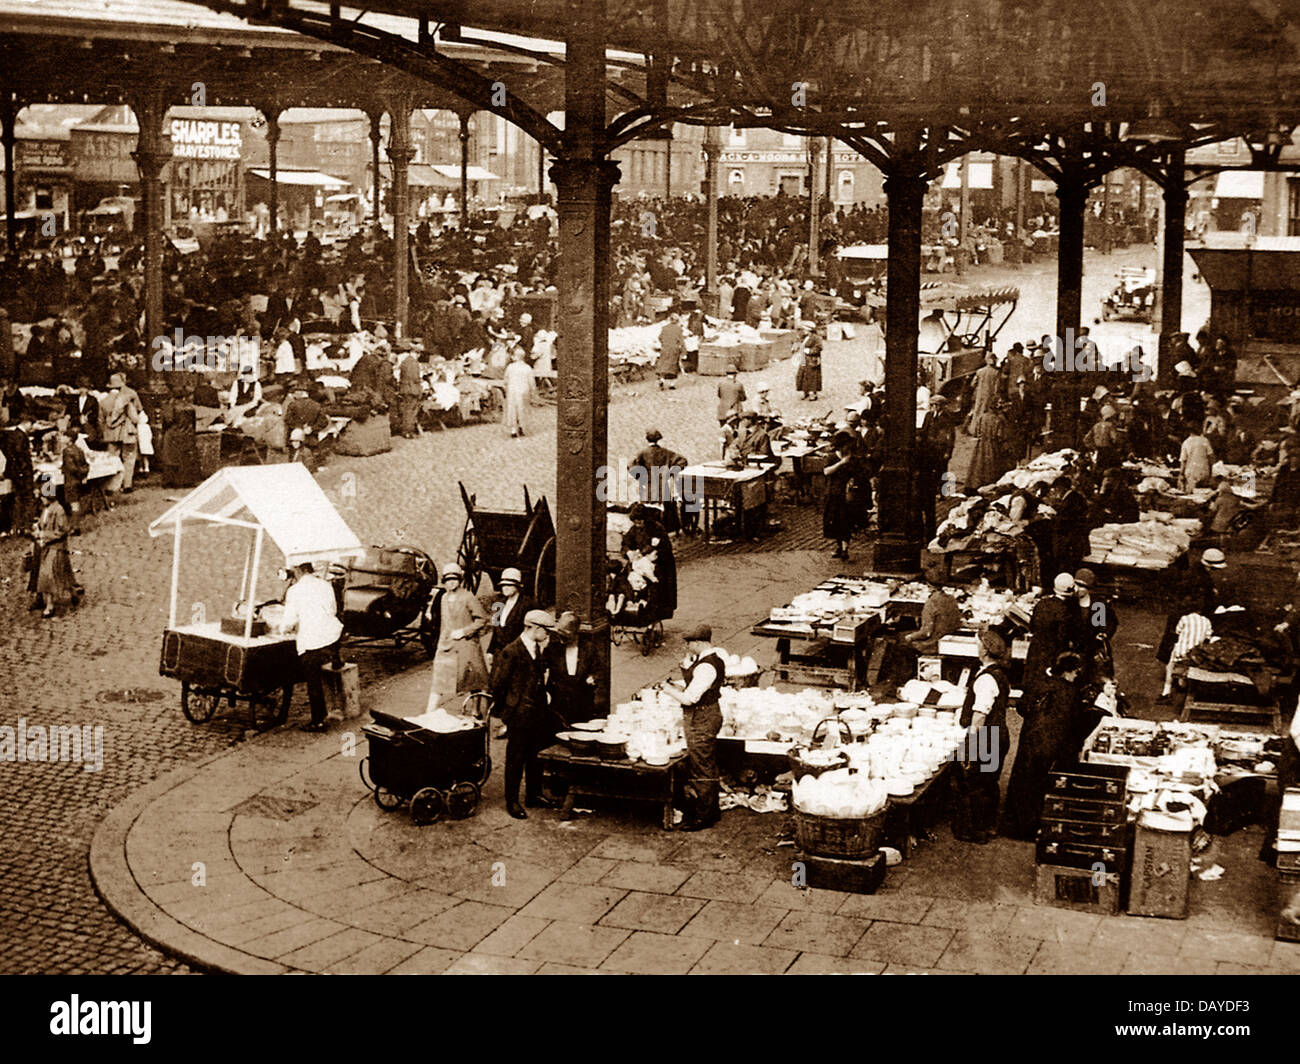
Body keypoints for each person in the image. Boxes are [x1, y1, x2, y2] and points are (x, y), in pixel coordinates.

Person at [1000, 651, 1085, 840]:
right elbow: (1075, 722)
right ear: (1069, 671)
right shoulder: (1071, 693)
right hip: (1053, 745)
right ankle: (1036, 829)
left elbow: (1022, 707)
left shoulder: (1040, 683)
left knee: (1023, 782)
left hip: (1031, 740)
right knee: (1041, 787)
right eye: (1076, 672)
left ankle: (1014, 827)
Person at [659, 624, 726, 831]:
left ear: (697, 642)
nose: (687, 647)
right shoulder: (711, 660)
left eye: (689, 643)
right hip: (707, 714)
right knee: (704, 762)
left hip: (701, 717)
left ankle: (704, 815)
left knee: (701, 765)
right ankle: (710, 809)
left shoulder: (706, 666)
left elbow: (690, 699)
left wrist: (667, 689)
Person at [490, 608, 556, 818]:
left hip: (537, 712)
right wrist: (508, 713)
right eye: (546, 630)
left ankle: (533, 795)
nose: (548, 634)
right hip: (519, 714)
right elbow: (497, 685)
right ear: (534, 628)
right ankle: (512, 801)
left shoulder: (537, 647)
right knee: (516, 758)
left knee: (535, 756)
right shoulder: (512, 651)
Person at [951, 628, 1011, 844]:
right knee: (989, 782)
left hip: (986, 738)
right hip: (998, 734)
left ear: (985, 650)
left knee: (975, 783)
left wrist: (969, 748)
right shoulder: (999, 673)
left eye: (978, 644)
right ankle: (989, 826)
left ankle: (975, 831)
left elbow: (979, 717)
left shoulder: (985, 680)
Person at [279, 562, 344, 732]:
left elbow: (289, 621)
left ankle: (318, 720)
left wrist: (283, 629)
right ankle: (336, 659)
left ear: (299, 570)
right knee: (315, 663)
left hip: (314, 641)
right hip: (333, 636)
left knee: (311, 675)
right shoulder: (325, 585)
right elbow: (333, 609)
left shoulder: (294, 591)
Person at [425, 563, 489, 712]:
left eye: (454, 579)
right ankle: (429, 713)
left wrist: (464, 631)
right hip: (447, 645)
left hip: (467, 645)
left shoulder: (468, 596)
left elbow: (482, 619)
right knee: (438, 680)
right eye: (448, 580)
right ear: (444, 581)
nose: (451, 583)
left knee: (474, 680)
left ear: (459, 580)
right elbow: (444, 624)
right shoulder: (443, 598)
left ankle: (476, 711)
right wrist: (441, 644)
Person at [1022, 572, 1079, 705]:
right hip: (1052, 653)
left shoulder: (1042, 603)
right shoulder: (1065, 611)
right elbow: (1063, 637)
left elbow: (1032, 626)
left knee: (1033, 683)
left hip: (1036, 650)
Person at [30, 486, 80, 619]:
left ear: (49, 497)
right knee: (63, 574)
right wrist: (37, 527)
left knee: (48, 574)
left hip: (56, 547)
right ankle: (73, 592)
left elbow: (62, 531)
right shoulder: (45, 509)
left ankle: (50, 605)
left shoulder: (59, 510)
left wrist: (43, 535)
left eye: (43, 497)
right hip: (45, 546)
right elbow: (42, 524)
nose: (41, 500)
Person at [546, 611, 599, 724]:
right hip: (557, 703)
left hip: (581, 702)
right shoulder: (553, 648)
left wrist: (593, 678)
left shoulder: (588, 649)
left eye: (565, 636)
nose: (561, 639)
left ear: (576, 633)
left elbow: (596, 671)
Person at [822, 430, 865, 560]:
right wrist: (841, 464)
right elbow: (826, 472)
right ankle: (839, 546)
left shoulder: (853, 458)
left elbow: (860, 473)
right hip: (833, 492)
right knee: (834, 521)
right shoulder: (831, 457)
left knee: (845, 521)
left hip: (846, 495)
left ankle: (845, 548)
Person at [1073, 567, 1117, 686]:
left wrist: (1105, 633)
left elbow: (1109, 623)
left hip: (1092, 651)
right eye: (1075, 585)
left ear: (1088, 589)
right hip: (1074, 649)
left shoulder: (1097, 605)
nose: (1077, 589)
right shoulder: (1070, 603)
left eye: (1081, 586)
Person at [103, 372, 141, 495]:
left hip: (111, 433)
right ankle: (127, 485)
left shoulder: (103, 401)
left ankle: (111, 486)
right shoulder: (131, 394)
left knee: (113, 458)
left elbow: (100, 419)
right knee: (129, 458)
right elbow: (138, 411)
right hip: (127, 433)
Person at [487, 566, 534, 662]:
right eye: (503, 585)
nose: (505, 588)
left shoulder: (526, 605)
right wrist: (490, 651)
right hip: (499, 653)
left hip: (518, 655)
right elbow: (496, 630)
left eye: (509, 585)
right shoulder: (498, 603)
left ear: (517, 587)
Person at [903, 581, 961, 654]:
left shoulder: (931, 602)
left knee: (898, 639)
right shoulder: (951, 598)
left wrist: (910, 637)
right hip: (947, 637)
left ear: (929, 587)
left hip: (932, 644)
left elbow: (926, 632)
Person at [965, 399, 1011, 490]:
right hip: (992, 445)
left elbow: (976, 432)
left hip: (981, 444)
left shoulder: (982, 417)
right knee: (991, 465)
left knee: (978, 465)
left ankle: (976, 484)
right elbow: (1000, 436)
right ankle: (989, 485)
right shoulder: (998, 420)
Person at [59, 430, 89, 535]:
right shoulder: (79, 450)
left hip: (71, 480)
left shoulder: (67, 451)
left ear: (69, 439)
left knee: (74, 504)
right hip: (78, 480)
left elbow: (71, 467)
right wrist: (82, 475)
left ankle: (75, 527)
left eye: (64, 436)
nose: (61, 438)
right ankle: (75, 526)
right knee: (76, 503)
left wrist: (64, 468)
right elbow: (85, 465)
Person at [966, 349, 1002, 430]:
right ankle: (983, 430)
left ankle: (974, 430)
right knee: (986, 412)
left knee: (977, 411)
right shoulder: (996, 372)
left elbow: (973, 384)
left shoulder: (979, 371)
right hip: (990, 395)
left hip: (980, 394)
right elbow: (997, 388)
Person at [503, 347, 534, 438]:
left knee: (512, 409)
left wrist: (506, 387)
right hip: (524, 391)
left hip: (512, 390)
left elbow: (506, 379)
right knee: (522, 409)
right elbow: (531, 381)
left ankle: (513, 429)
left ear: (515, 357)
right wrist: (533, 391)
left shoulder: (510, 367)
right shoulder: (527, 368)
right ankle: (521, 426)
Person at [396, 345, 423, 439]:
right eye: (418, 354)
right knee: (411, 411)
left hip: (404, 388)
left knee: (406, 410)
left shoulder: (404, 361)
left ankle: (405, 430)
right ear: (416, 353)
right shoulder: (414, 363)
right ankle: (409, 431)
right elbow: (415, 378)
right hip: (412, 389)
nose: (418, 356)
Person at [1179, 423, 1215, 493]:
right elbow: (1211, 457)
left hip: (1191, 473)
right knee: (1204, 492)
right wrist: (1211, 471)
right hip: (1204, 472)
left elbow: (1183, 461)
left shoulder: (1186, 442)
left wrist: (1181, 474)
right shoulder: (1205, 440)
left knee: (1192, 493)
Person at [655, 310, 685, 390]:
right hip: (674, 350)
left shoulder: (664, 328)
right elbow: (681, 341)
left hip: (665, 348)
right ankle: (672, 384)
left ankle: (662, 379)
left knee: (663, 365)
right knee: (673, 367)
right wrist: (684, 351)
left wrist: (664, 343)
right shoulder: (678, 329)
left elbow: (660, 337)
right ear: (677, 321)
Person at [65, 377, 101, 443]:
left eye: (85, 388)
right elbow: (68, 412)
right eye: (81, 387)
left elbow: (95, 414)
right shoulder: (73, 400)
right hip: (75, 424)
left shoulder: (93, 400)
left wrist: (87, 419)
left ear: (88, 389)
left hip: (88, 425)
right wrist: (68, 418)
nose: (83, 390)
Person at [795, 327, 822, 401]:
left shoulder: (816, 338)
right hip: (803, 359)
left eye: (805, 329)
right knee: (802, 375)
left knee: (812, 376)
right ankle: (805, 391)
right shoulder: (804, 337)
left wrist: (809, 351)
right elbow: (799, 344)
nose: (804, 331)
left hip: (812, 359)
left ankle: (813, 394)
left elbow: (819, 347)